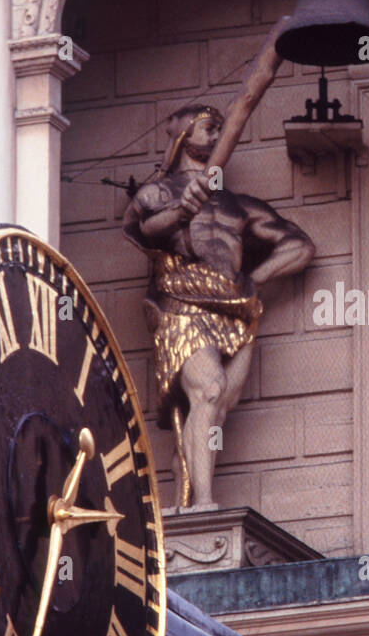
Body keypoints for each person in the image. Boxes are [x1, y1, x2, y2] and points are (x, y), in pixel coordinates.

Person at [124, 103, 315, 508]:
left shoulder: (237, 205)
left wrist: (254, 280)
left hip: (235, 310)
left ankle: (186, 487)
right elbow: (145, 229)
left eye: (219, 131)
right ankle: (205, 507)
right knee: (208, 390)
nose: (214, 137)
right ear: (182, 135)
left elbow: (299, 246)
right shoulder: (158, 192)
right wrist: (181, 210)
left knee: (215, 411)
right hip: (182, 302)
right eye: (207, 128)